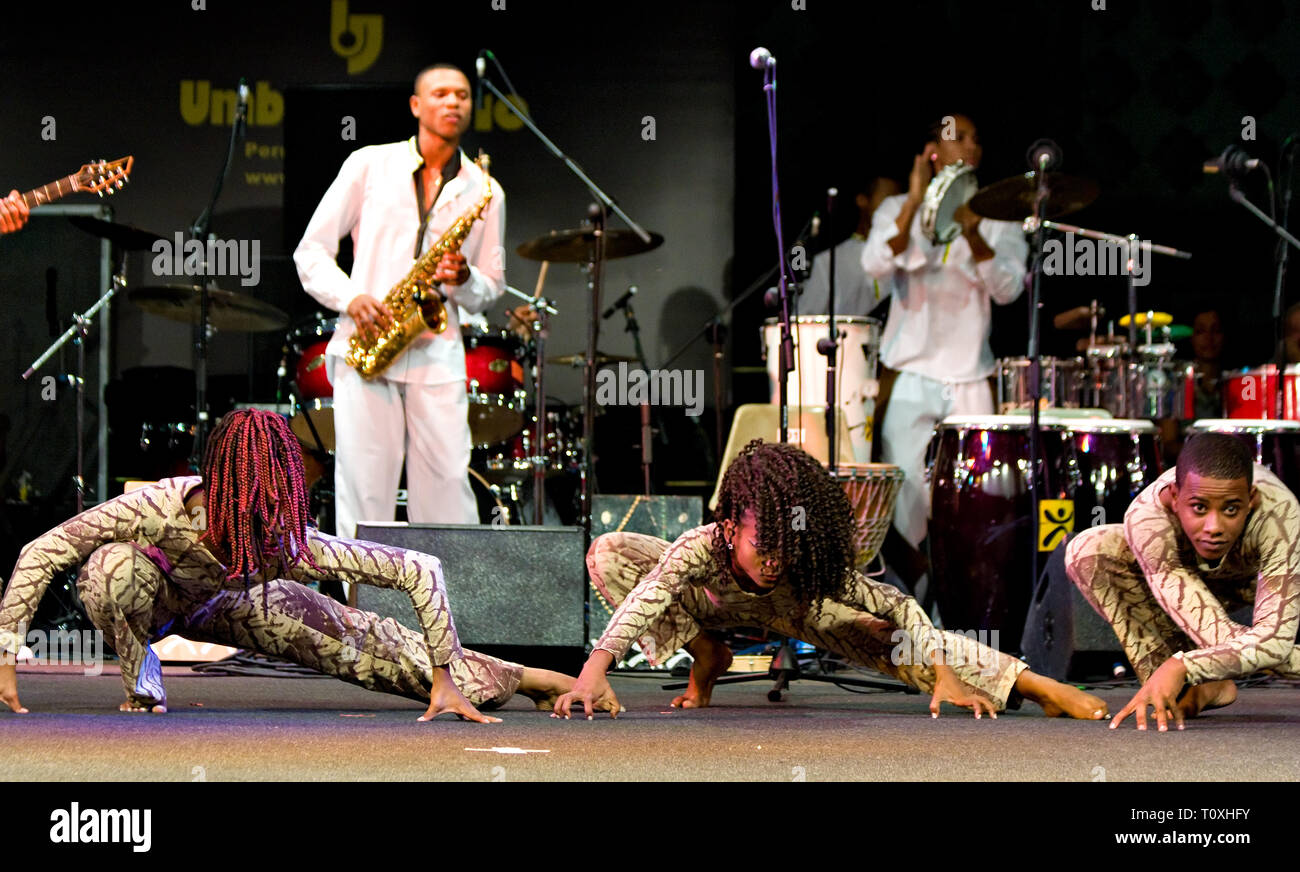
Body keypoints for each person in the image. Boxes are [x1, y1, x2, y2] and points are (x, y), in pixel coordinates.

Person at [0, 410, 582, 721]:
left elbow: (420, 568)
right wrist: (6, 659)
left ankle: (527, 679)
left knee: (377, 647)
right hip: (151, 597)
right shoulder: (157, 508)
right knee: (109, 574)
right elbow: (43, 551)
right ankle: (142, 674)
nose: (268, 512)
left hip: (233, 605)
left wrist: (443, 678)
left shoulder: (286, 538)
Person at [553, 439, 1108, 721]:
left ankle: (1037, 687)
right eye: (761, 547)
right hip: (710, 608)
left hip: (800, 613)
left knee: (899, 644)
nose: (774, 560)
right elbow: (650, 595)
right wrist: (592, 673)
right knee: (609, 553)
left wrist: (944, 675)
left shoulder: (808, 568)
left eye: (786, 547)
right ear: (728, 528)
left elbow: (900, 605)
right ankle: (708, 655)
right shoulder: (700, 548)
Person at [294, 62, 505, 538]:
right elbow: (311, 251)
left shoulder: (487, 190)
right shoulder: (369, 164)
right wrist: (351, 298)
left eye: (463, 95)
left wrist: (467, 278)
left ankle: (451, 608)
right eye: (441, 94)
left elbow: (491, 286)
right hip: (368, 343)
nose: (453, 102)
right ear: (415, 105)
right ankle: (358, 611)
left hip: (436, 353)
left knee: (450, 495)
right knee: (364, 498)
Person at [860, 114, 1028, 581]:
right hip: (911, 374)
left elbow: (1009, 289)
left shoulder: (998, 213)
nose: (972, 146)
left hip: (970, 376)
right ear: (933, 150)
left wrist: (973, 232)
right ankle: (909, 601)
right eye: (959, 137)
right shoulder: (896, 206)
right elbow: (873, 263)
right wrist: (914, 204)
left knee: (974, 495)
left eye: (977, 138)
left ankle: (960, 602)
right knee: (906, 496)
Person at [1065, 432, 1300, 732]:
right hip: (1182, 578)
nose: (1214, 527)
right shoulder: (1147, 518)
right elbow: (1216, 633)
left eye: (1230, 509)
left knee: (1270, 642)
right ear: (1174, 498)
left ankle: (1191, 677)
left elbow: (1276, 643)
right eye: (1199, 508)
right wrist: (1187, 666)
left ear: (1251, 500)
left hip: (1262, 580)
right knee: (1088, 550)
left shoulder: (1278, 512)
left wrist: (1185, 665)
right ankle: (1188, 689)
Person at [797, 176, 901, 316]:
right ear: (862, 200)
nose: (895, 210)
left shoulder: (907, 259)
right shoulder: (828, 262)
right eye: (887, 201)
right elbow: (804, 321)